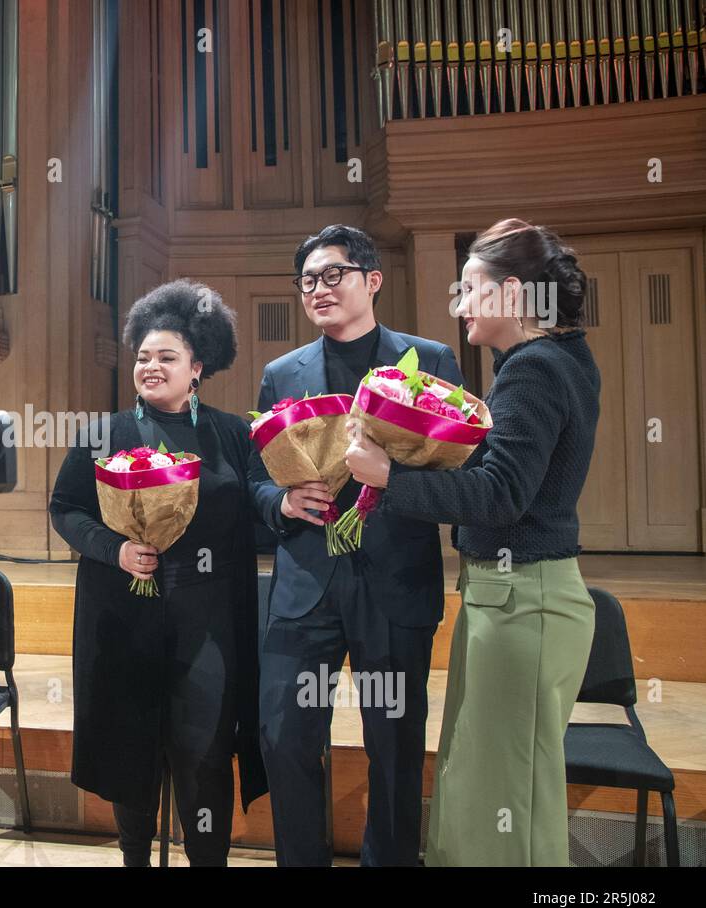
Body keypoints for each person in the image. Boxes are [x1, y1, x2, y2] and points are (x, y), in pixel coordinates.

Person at [345, 219, 598, 866]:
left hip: (522, 606)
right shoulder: (564, 356)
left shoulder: (534, 369)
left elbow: (499, 495)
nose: (457, 307)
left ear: (511, 295)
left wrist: (389, 476)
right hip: (521, 599)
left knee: (499, 805)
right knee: (502, 791)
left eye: (467, 291)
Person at [249, 224, 464, 866]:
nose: (318, 289)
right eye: (308, 280)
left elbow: (455, 467)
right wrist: (282, 502)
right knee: (285, 738)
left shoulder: (428, 361)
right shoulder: (282, 373)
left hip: (393, 583)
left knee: (394, 746)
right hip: (305, 586)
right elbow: (256, 478)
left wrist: (389, 479)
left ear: (372, 280)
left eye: (332, 274)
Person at [50, 279, 266, 867]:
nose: (150, 366)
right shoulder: (103, 433)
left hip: (209, 620)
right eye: (143, 356)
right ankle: (134, 859)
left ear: (197, 367)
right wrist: (113, 548)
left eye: (166, 357)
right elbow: (64, 509)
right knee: (132, 750)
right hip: (126, 616)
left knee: (205, 755)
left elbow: (258, 514)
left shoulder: (232, 434)